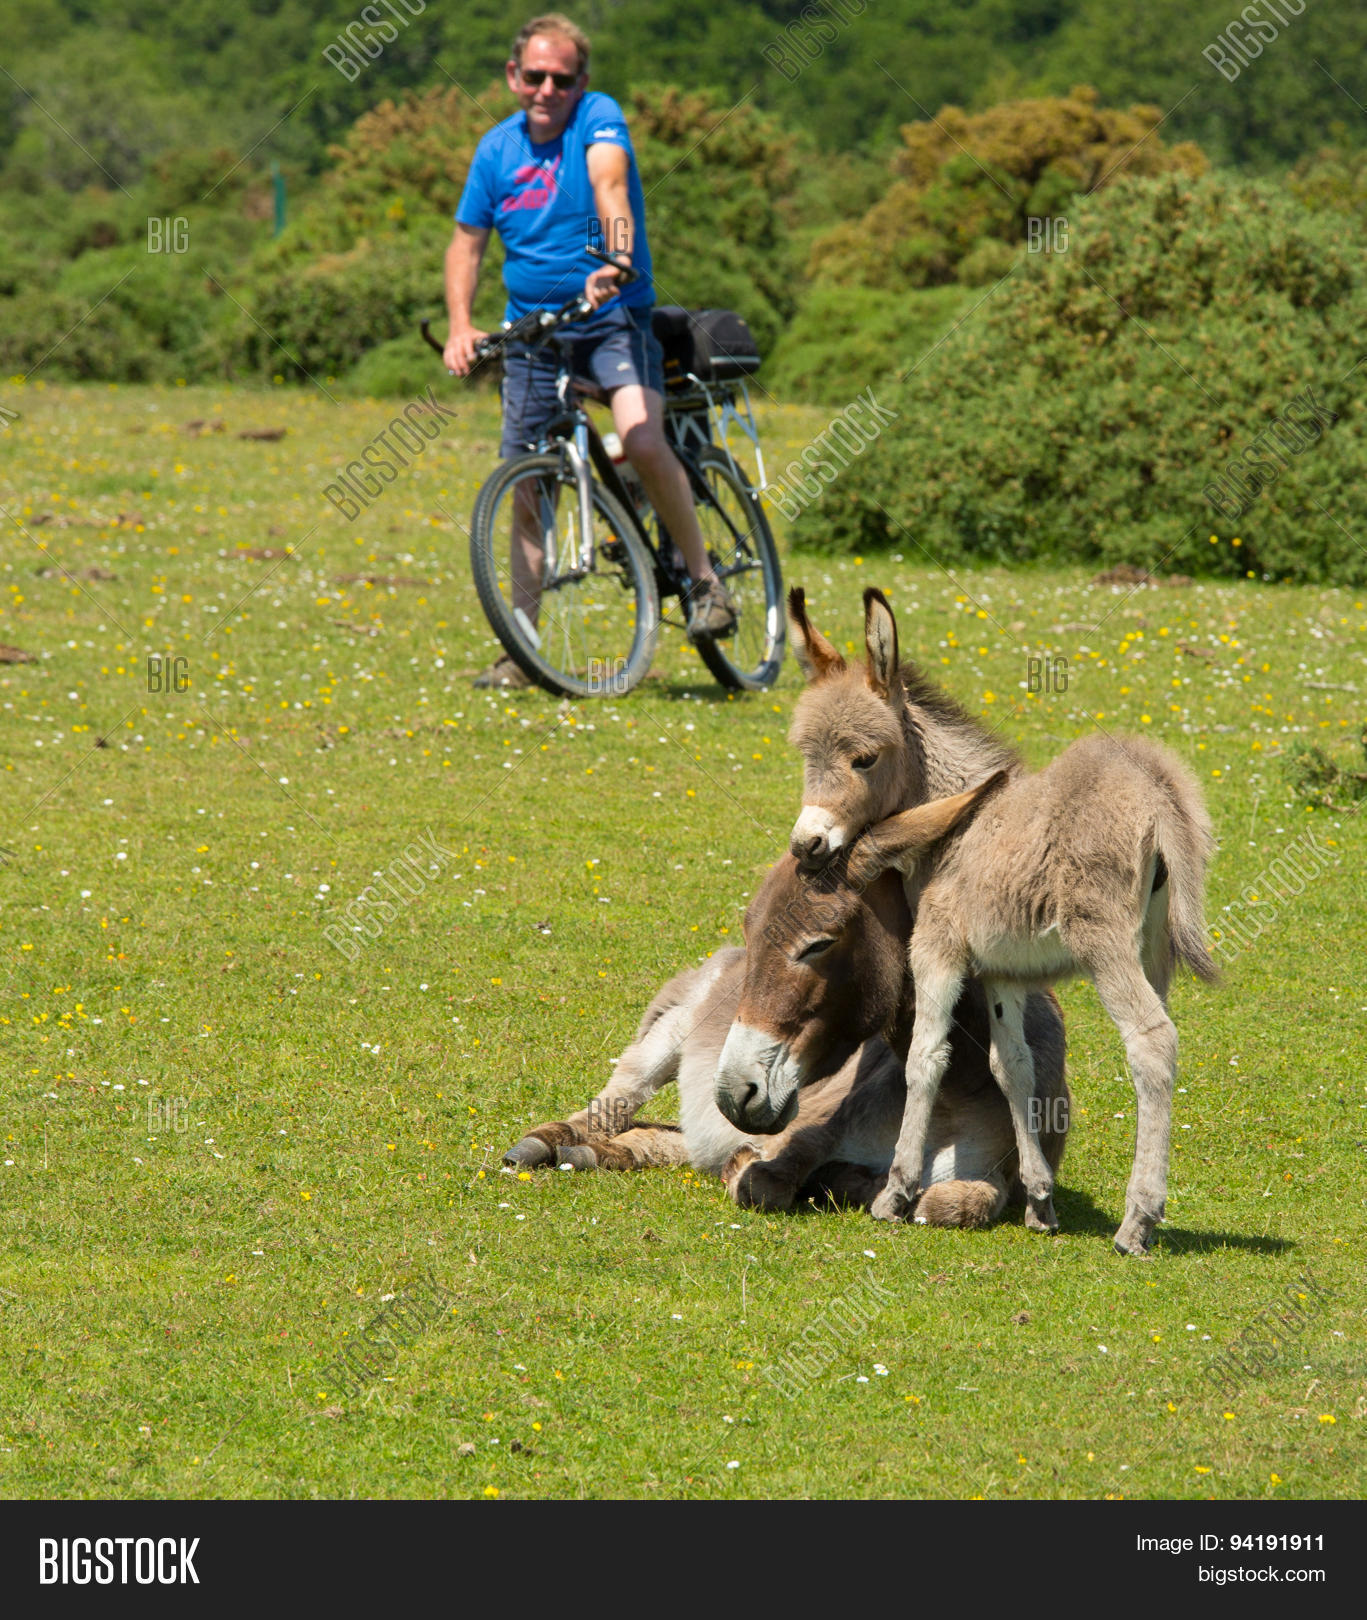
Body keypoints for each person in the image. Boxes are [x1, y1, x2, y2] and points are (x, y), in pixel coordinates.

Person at [444, 12, 739, 689]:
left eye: (562, 78)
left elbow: (610, 182)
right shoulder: (495, 152)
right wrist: (462, 325)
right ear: (512, 77)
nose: (548, 89)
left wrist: (616, 259)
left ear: (581, 81)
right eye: (535, 76)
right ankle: (523, 647)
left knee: (639, 436)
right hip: (532, 333)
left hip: (611, 321)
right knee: (526, 487)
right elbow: (467, 243)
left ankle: (703, 583)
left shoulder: (597, 119)